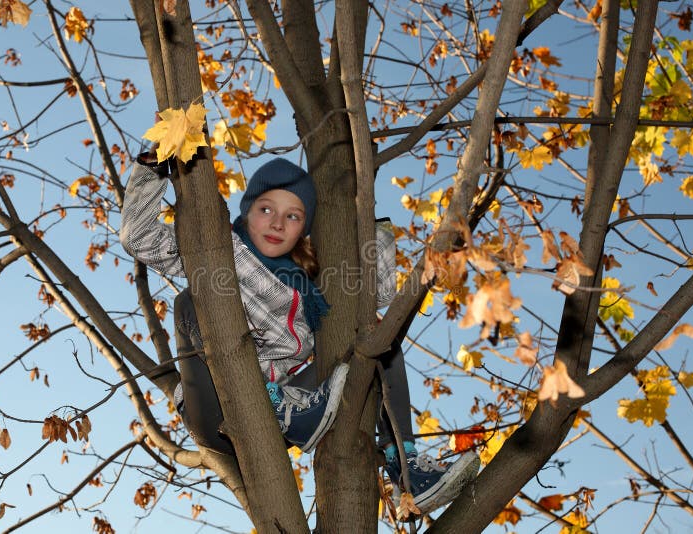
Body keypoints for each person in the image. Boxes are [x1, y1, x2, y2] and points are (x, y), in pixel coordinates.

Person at [120, 151, 479, 515]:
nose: (277, 223)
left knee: (381, 348)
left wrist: (369, 217)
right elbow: (139, 238)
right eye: (266, 210)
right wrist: (151, 169)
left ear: (303, 229)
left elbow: (381, 293)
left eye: (292, 216)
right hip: (215, 406)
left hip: (291, 409)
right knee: (189, 300)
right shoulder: (220, 251)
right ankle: (278, 406)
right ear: (247, 212)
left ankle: (407, 470)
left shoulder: (313, 282)